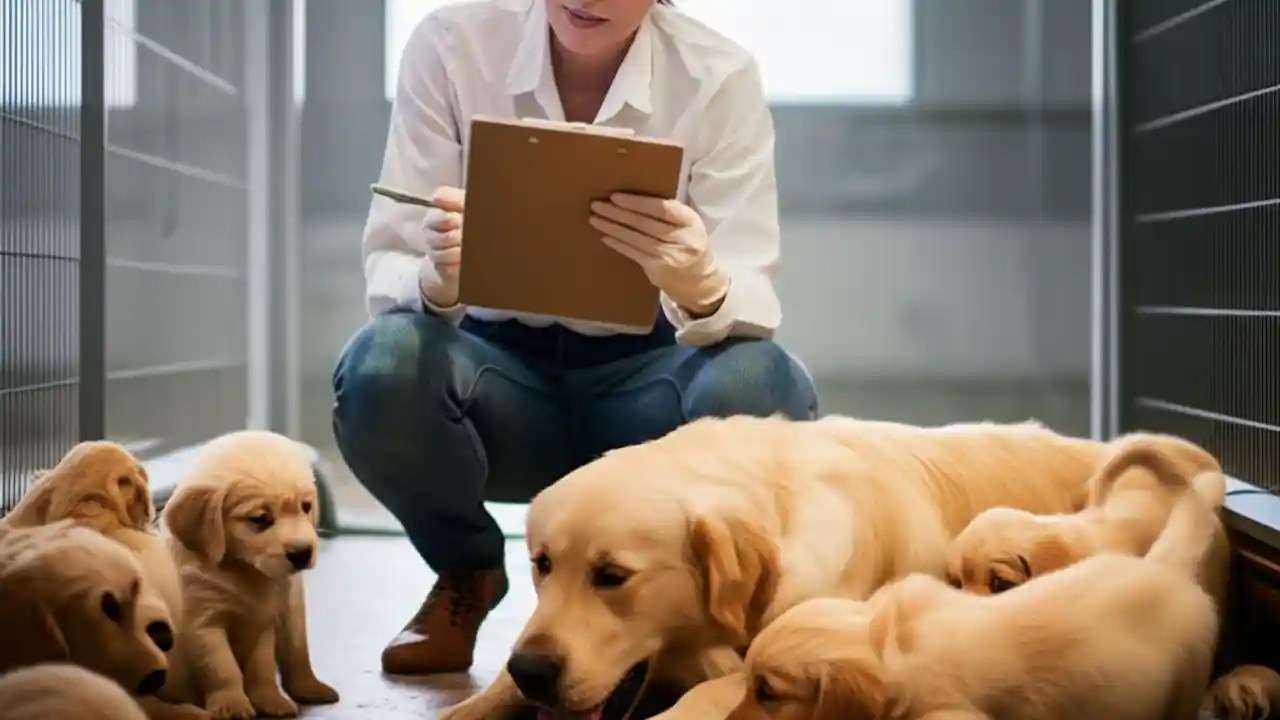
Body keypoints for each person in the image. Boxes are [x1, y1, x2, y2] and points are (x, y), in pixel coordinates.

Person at [332, 0, 818, 676]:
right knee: (382, 366)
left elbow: (752, 294)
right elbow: (390, 262)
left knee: (765, 385)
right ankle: (467, 572)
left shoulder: (717, 74)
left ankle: (708, 610)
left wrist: (700, 280)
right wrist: (442, 275)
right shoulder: (451, 45)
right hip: (493, 375)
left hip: (650, 385)